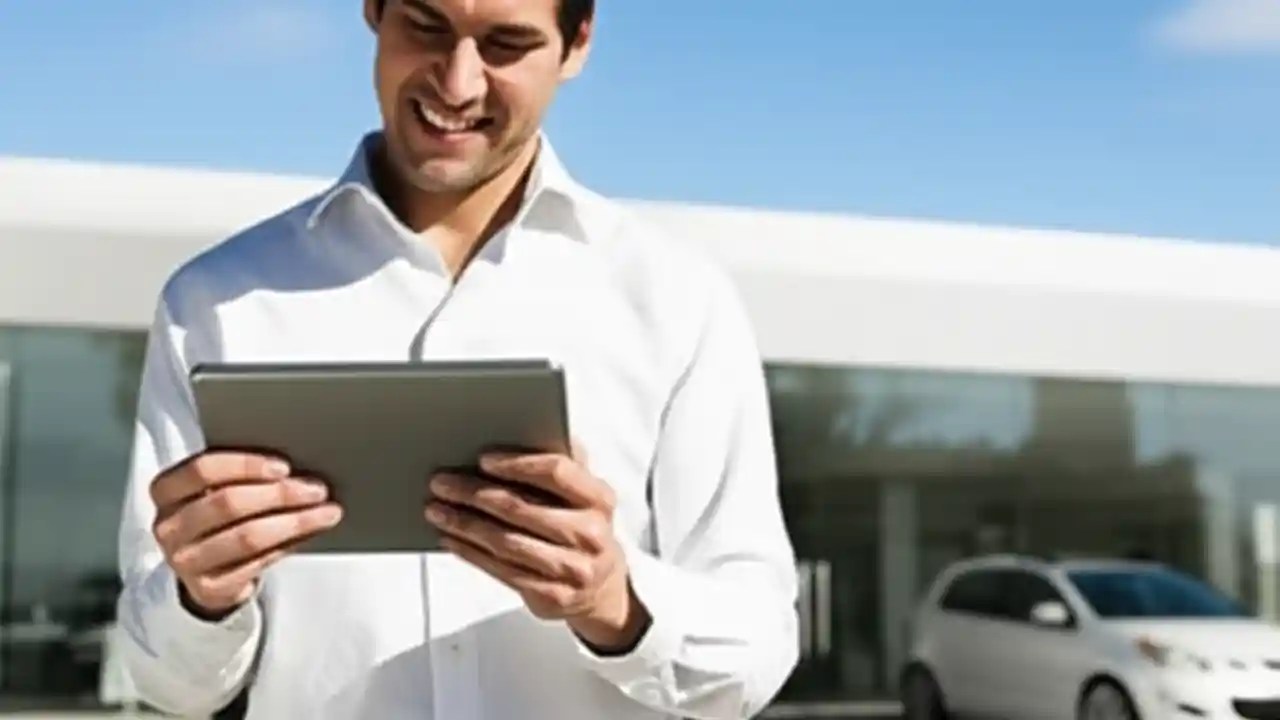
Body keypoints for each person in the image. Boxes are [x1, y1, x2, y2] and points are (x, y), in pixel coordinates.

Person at [114, 0, 800, 718]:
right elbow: (167, 685)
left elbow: (755, 653)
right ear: (374, 11)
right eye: (427, 26)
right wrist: (201, 598)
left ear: (577, 43)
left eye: (506, 44)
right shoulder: (215, 303)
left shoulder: (678, 300)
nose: (458, 82)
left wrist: (614, 602)